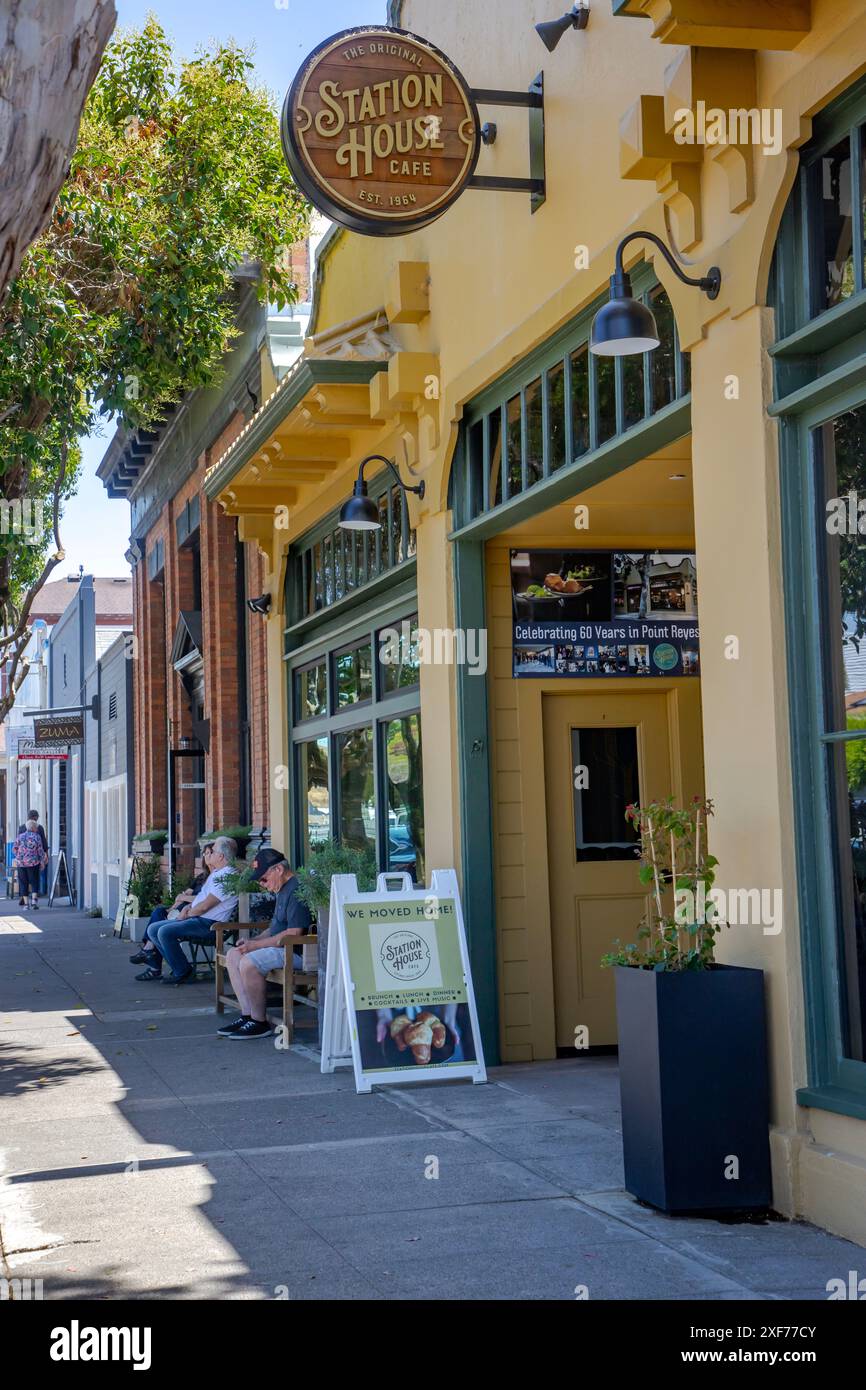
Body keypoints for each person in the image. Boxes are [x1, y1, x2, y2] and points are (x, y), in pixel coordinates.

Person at [219, 847, 313, 1040]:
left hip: (296, 952)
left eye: (264, 878)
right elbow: (274, 929)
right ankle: (248, 1015)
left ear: (278, 869)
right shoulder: (282, 889)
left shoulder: (297, 889)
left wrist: (255, 947)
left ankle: (259, 1021)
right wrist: (253, 941)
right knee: (233, 954)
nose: (262, 884)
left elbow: (294, 933)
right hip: (282, 947)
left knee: (249, 962)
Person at [140, 837, 238, 985]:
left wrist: (187, 914)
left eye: (213, 851)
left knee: (164, 931)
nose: (209, 854)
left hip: (211, 925)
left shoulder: (228, 876)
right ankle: (181, 968)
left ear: (221, 856)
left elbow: (206, 906)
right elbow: (201, 899)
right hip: (199, 919)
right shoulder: (218, 873)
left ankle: (182, 971)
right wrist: (188, 907)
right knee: (153, 929)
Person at [129, 844, 213, 976]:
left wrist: (185, 898)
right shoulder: (202, 877)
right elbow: (185, 894)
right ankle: (150, 951)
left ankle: (153, 962)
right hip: (181, 910)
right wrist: (173, 907)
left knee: (159, 929)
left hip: (191, 914)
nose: (206, 856)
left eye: (209, 853)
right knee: (159, 912)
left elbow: (202, 899)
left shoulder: (216, 878)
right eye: (205, 853)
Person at [13, 817, 45, 911]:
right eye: (36, 827)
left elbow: (14, 848)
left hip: (21, 864)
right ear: (34, 828)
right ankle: (34, 902)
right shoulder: (37, 837)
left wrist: (19, 856)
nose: (37, 829)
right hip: (33, 863)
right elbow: (40, 850)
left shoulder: (20, 836)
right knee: (34, 881)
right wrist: (42, 861)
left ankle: (26, 905)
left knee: (23, 883)